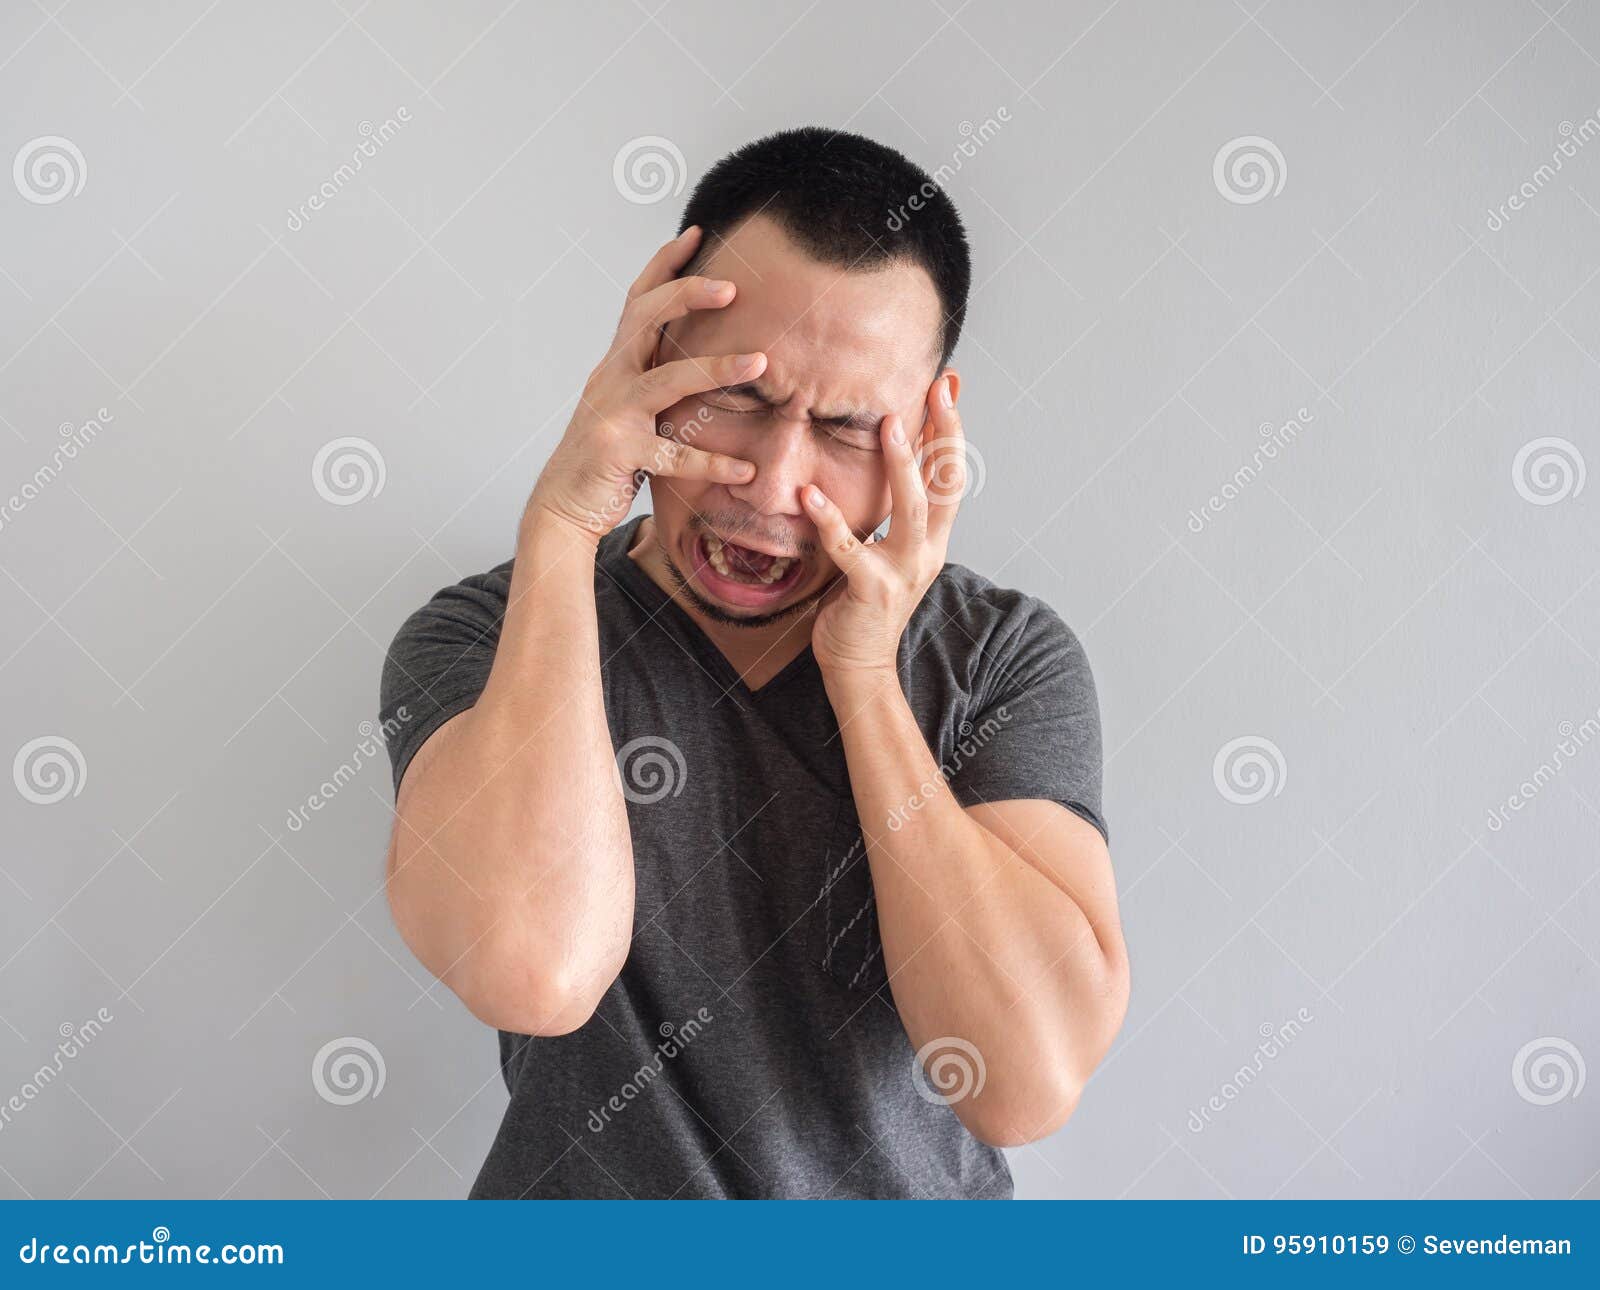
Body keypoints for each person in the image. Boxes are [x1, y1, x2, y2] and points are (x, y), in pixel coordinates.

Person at [378, 126, 1128, 1199]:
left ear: (927, 435)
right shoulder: (487, 635)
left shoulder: (998, 660)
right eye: (740, 393)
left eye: (844, 426)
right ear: (651, 360)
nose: (774, 484)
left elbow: (1020, 1085)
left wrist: (866, 680)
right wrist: (560, 525)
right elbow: (529, 973)